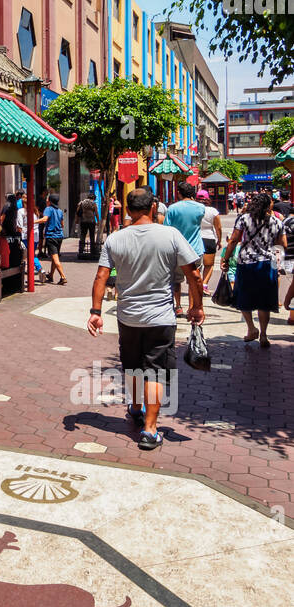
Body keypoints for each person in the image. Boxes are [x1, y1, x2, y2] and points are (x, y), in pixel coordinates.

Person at [88, 185, 204, 452]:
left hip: (128, 317)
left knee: (132, 365)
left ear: (127, 210)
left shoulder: (115, 239)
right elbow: (194, 275)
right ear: (153, 207)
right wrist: (196, 306)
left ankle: (136, 407)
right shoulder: (171, 236)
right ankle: (150, 431)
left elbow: (101, 277)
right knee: (155, 372)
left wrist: (95, 312)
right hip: (161, 318)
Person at [219, 190, 286, 346]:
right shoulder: (277, 222)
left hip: (246, 262)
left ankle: (251, 328)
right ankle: (263, 334)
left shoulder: (244, 219)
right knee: (264, 301)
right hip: (267, 264)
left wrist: (226, 258)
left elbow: (233, 240)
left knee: (244, 296)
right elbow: (282, 244)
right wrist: (278, 264)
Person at [164, 180, 206, 317]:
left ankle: (178, 306)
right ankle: (192, 307)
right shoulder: (200, 208)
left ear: (179, 193)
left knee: (176, 280)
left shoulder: (172, 209)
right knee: (194, 280)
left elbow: (167, 229)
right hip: (196, 249)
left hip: (177, 250)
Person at [37, 192, 67, 285]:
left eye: (47, 199)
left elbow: (45, 219)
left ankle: (63, 277)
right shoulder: (60, 211)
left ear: (50, 201)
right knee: (55, 256)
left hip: (51, 236)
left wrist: (32, 221)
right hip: (59, 236)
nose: (46, 200)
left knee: (55, 258)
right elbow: (62, 225)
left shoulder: (48, 209)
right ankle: (51, 275)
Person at [197, 190, 222, 295]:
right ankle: (204, 284)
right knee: (209, 265)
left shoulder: (194, 210)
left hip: (196, 238)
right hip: (209, 238)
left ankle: (196, 284)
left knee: (196, 265)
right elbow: (218, 227)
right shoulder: (213, 211)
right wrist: (219, 240)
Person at [76, 191, 99, 258]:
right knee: (92, 236)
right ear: (94, 198)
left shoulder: (81, 203)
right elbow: (96, 213)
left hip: (83, 220)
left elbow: (77, 212)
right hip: (91, 221)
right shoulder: (93, 203)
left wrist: (77, 220)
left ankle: (81, 249)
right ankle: (92, 250)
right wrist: (98, 221)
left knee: (83, 235)